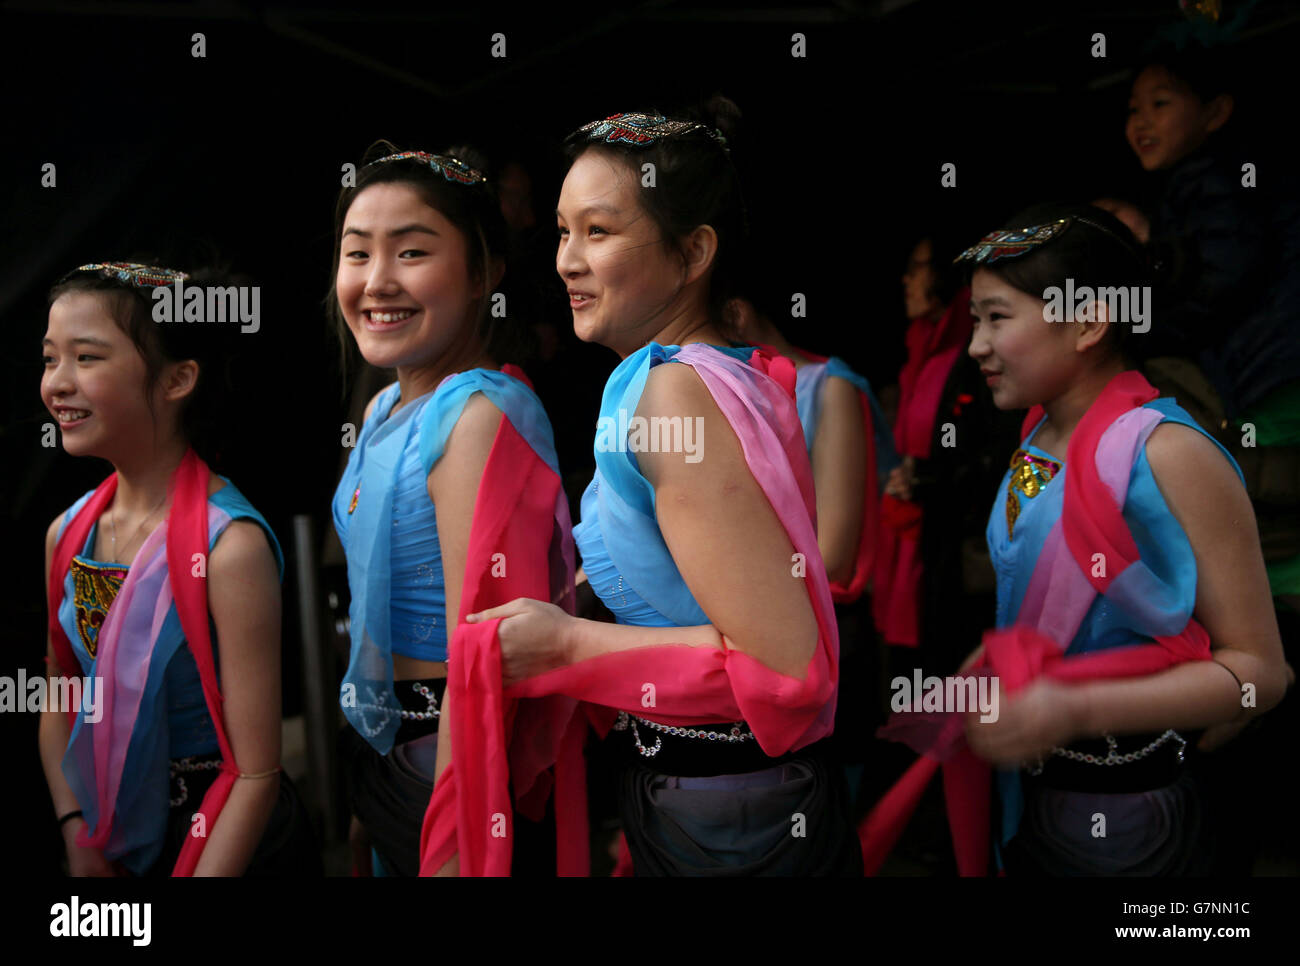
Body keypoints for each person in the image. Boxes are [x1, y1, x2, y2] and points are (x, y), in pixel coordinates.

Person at [465, 106, 862, 875]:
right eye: (561, 231)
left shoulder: (674, 394)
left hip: (734, 819)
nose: (566, 262)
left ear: (693, 253)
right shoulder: (697, 375)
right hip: (721, 799)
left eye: (599, 232)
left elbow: (784, 668)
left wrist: (569, 644)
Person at [862, 203, 1289, 875]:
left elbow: (1259, 675)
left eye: (998, 318)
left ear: (1089, 320)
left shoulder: (1171, 453)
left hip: (1130, 818)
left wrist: (1074, 705)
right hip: (1032, 796)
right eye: (976, 320)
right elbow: (1036, 605)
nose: (975, 345)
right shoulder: (1037, 436)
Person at [328, 146, 577, 877]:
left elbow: (489, 657)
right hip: (394, 756)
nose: (377, 281)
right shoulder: (382, 408)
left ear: (485, 275)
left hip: (456, 765)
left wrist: (456, 841)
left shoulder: (476, 415)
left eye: (411, 252)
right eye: (356, 253)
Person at [40, 261, 314, 876]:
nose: (58, 383)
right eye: (50, 358)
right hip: (108, 832)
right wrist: (76, 833)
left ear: (177, 379)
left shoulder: (228, 545)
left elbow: (255, 771)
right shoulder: (67, 533)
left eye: (86, 358)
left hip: (226, 837)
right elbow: (58, 688)